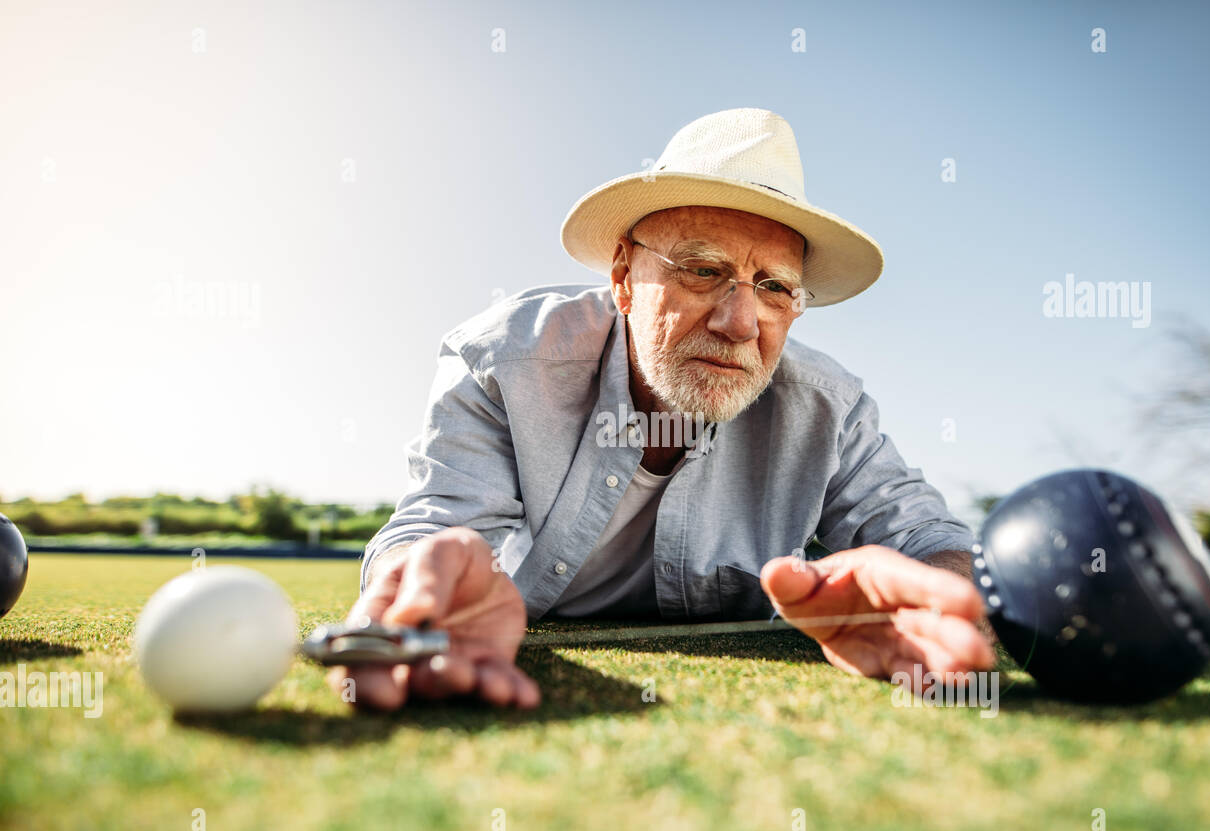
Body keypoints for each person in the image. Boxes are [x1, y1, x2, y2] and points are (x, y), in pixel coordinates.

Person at [334, 108, 995, 711]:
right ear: (623, 277)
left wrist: (936, 599)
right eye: (703, 270)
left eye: (774, 288)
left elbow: (931, 541)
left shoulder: (831, 409)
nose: (741, 323)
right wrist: (417, 591)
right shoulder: (503, 360)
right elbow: (437, 528)